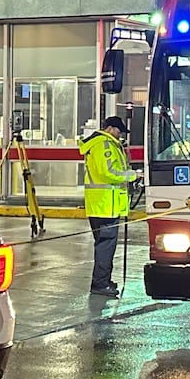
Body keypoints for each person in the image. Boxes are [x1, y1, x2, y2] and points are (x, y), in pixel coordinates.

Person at [79, 116, 137, 297]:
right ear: (111, 128)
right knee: (105, 246)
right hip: (105, 205)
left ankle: (103, 280)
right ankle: (100, 283)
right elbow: (109, 173)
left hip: (102, 204)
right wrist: (132, 176)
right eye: (119, 131)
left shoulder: (102, 144)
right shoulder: (104, 144)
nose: (120, 135)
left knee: (104, 245)